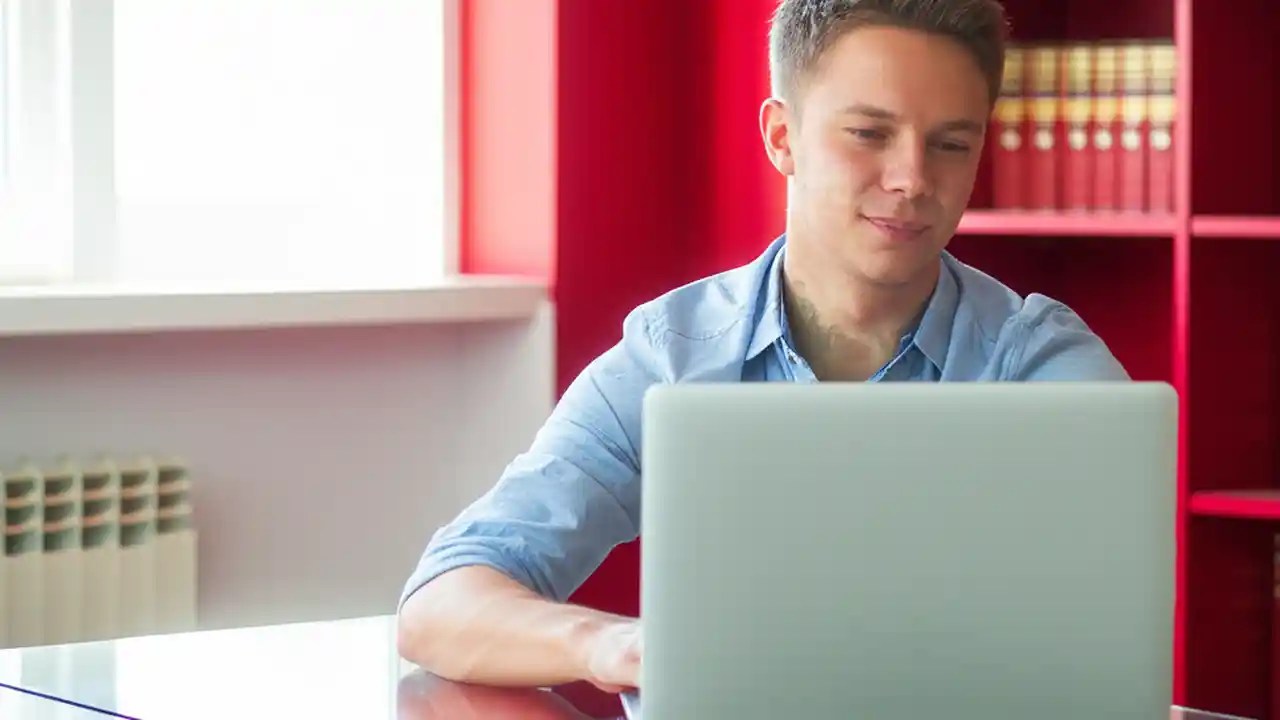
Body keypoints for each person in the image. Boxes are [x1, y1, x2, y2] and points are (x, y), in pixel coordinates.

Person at [396, 0, 1128, 694]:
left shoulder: (1043, 368)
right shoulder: (671, 357)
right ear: (782, 138)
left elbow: (1097, 645)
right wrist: (615, 647)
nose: (912, 179)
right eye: (869, 134)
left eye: (951, 144)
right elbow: (441, 602)